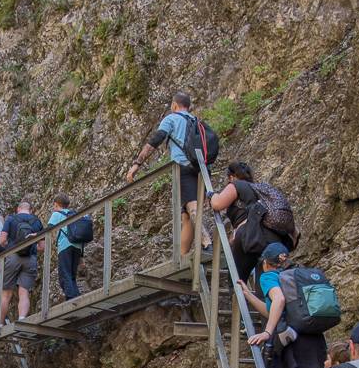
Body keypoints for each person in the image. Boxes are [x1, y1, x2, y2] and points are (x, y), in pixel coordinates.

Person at [124, 91, 209, 258]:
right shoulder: (197, 121)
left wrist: (136, 164)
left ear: (174, 105)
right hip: (201, 169)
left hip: (183, 168)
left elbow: (156, 140)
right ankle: (181, 256)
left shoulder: (171, 119)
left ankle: (207, 242)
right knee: (186, 216)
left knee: (192, 208)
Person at [239, 242, 322, 368]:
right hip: (314, 348)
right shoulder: (295, 277)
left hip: (290, 348)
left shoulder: (268, 276)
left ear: (264, 262)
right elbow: (274, 310)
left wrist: (267, 332)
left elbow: (279, 300)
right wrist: (248, 295)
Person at [210, 161, 293, 285]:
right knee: (268, 283)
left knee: (236, 280)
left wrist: (212, 195)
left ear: (231, 177)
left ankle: (236, 298)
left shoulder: (236, 185)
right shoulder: (260, 190)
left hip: (250, 238)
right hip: (274, 240)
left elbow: (217, 204)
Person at [0, 199, 45, 321]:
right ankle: (22, 319)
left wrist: (9, 246)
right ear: (31, 210)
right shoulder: (36, 221)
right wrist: (32, 246)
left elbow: (1, 240)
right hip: (30, 258)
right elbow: (42, 247)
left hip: (12, 256)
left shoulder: (11, 219)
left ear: (18, 209)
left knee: (6, 294)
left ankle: (0, 324)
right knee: (24, 292)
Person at [47, 193, 82, 300]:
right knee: (72, 274)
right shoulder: (73, 213)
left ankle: (71, 299)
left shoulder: (56, 214)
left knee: (64, 274)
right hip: (77, 246)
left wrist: (36, 235)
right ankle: (76, 296)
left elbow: (48, 229)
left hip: (64, 245)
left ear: (56, 204)